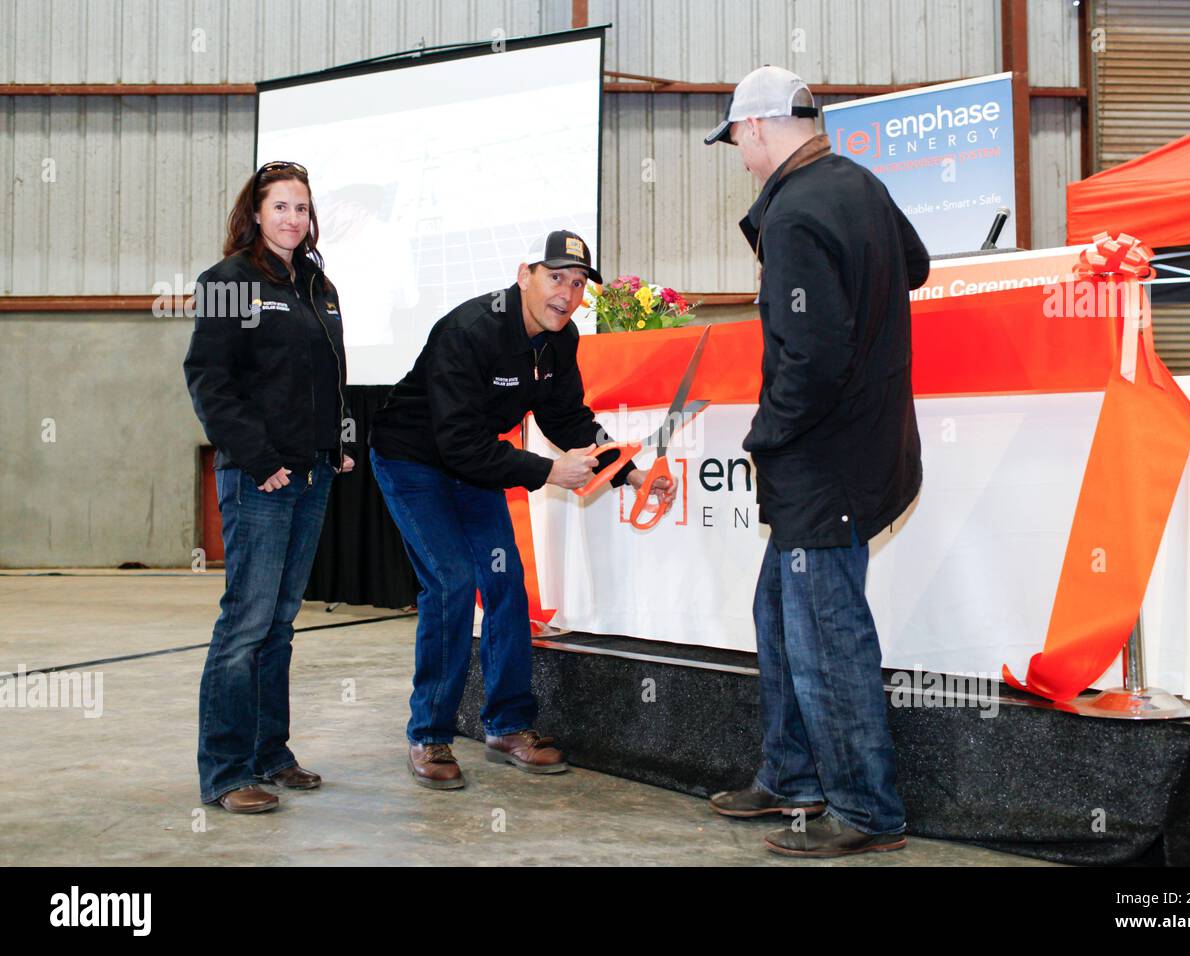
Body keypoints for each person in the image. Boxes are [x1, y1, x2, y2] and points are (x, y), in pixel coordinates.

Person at [703, 67, 931, 856]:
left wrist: (767, 436)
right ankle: (791, 776)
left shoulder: (795, 214)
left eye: (737, 139)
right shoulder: (860, 184)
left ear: (760, 128)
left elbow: (815, 355)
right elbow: (918, 265)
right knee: (780, 615)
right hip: (867, 452)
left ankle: (867, 812)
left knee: (828, 638)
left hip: (823, 465)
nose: (739, 156)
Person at [369, 230, 675, 790]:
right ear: (524, 274)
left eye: (579, 283)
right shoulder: (469, 330)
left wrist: (628, 471)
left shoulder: (563, 339)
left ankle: (508, 725)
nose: (567, 293)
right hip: (413, 461)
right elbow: (458, 442)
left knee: (507, 584)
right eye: (557, 277)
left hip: (475, 465)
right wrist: (546, 471)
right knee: (452, 584)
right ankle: (429, 733)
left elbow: (568, 419)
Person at [184, 161, 355, 813]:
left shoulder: (317, 285)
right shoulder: (228, 282)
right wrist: (258, 459)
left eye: (302, 208)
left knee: (280, 623)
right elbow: (210, 380)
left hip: (312, 471)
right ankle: (228, 771)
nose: (293, 218)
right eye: (281, 206)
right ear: (255, 213)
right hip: (261, 476)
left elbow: (334, 373)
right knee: (248, 622)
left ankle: (270, 754)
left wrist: (338, 444)